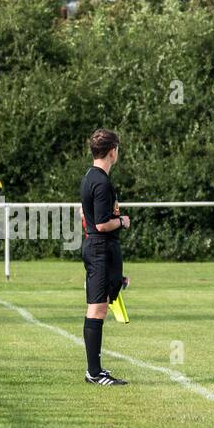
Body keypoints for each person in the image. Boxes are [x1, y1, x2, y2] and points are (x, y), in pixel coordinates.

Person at [80, 129, 131, 385]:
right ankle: (94, 372)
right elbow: (102, 224)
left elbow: (84, 215)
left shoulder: (90, 177)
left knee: (101, 304)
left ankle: (95, 370)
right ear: (113, 151)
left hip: (97, 249)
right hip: (100, 248)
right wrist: (122, 221)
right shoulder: (101, 182)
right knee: (97, 310)